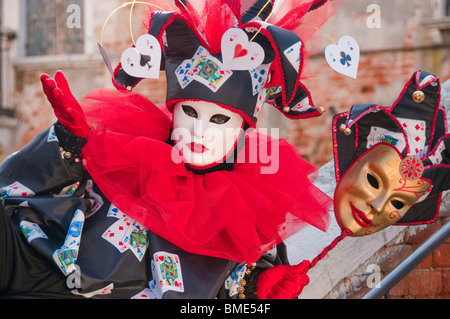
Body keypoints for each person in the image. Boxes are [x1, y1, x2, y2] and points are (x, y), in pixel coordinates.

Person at [0, 0, 340, 299]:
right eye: (189, 112)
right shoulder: (130, 147)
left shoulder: (250, 207)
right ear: (172, 110)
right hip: (39, 259)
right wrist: (66, 142)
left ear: (243, 128)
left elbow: (230, 288)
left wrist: (257, 289)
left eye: (220, 119)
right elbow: (14, 184)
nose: (199, 131)